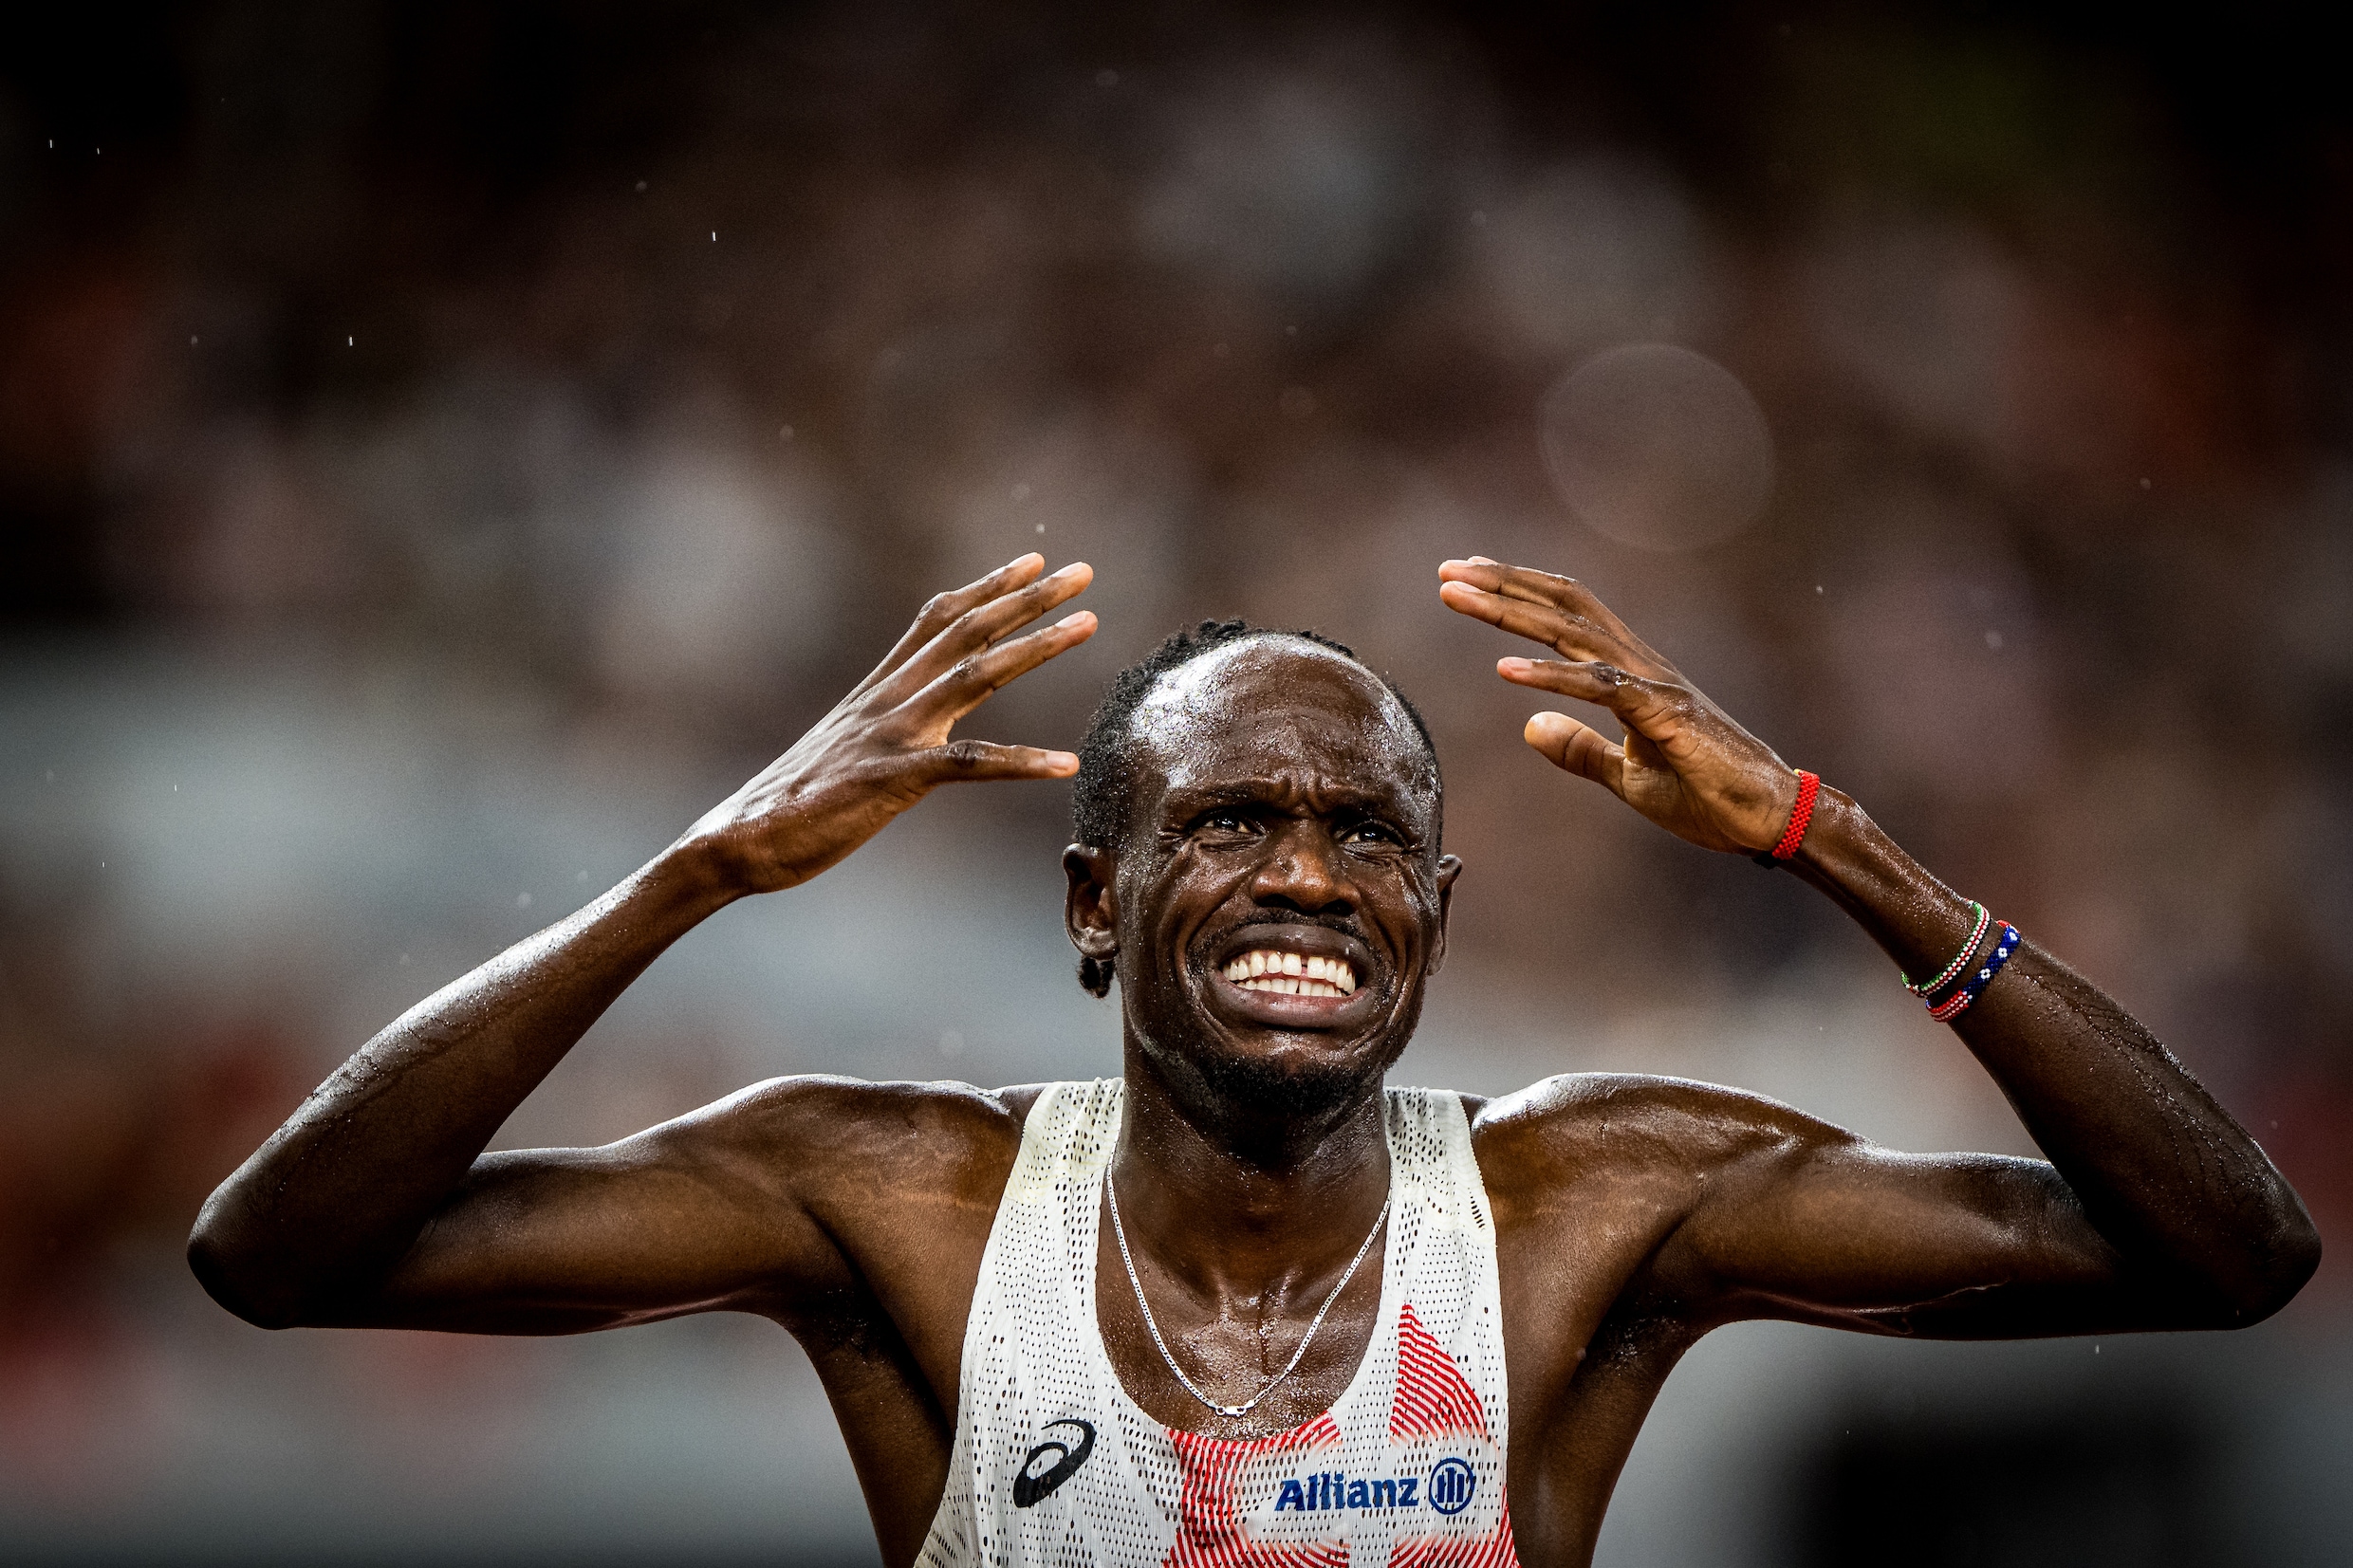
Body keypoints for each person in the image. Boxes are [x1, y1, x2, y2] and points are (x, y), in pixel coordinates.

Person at [189, 552, 2320, 1567]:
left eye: (1368, 834)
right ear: (1093, 902)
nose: (1310, 875)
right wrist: (698, 870)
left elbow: (2226, 1252)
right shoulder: (902, 1199)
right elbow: (279, 1249)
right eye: (1228, 823)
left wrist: (1823, 836)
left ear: (1435, 914)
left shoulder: (1582, 1199)